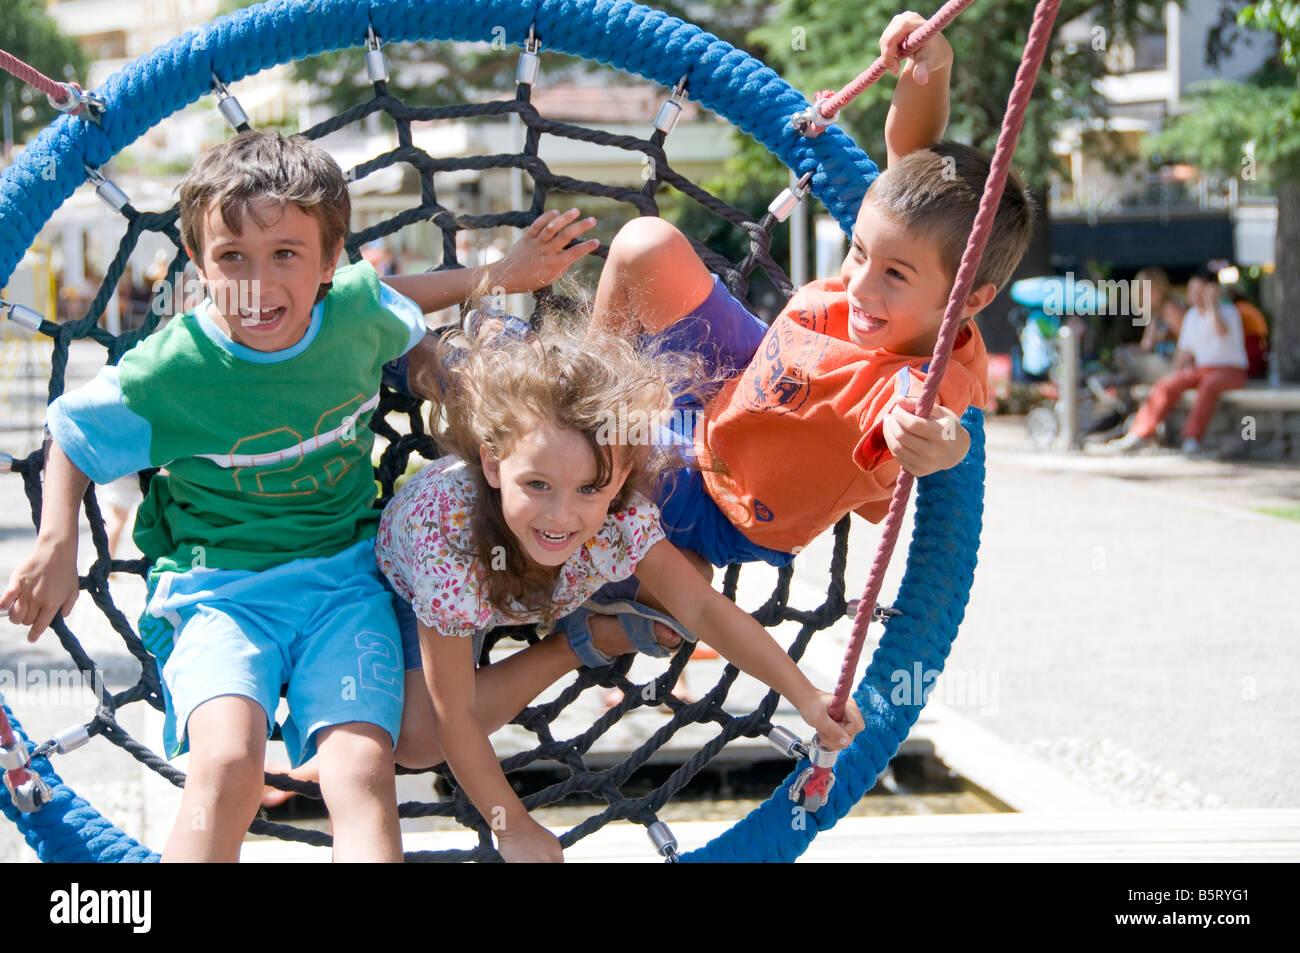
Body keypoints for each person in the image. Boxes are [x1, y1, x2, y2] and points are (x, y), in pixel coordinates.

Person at [0, 129, 598, 861]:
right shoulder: (175, 368)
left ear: (328, 260)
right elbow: (74, 434)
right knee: (225, 763)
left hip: (343, 583)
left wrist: (494, 280)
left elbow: (387, 300)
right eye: (232, 259)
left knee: (363, 767)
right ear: (196, 263)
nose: (260, 285)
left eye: (286, 254)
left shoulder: (351, 314)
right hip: (219, 591)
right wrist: (58, 540)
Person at [377, 324, 866, 863]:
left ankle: (588, 617)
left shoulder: (616, 516)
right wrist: (511, 825)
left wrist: (805, 694)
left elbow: (703, 609)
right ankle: (579, 641)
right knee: (419, 742)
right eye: (537, 484)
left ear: (621, 476)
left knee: (688, 580)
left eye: (590, 487)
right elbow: (455, 715)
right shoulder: (449, 540)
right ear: (493, 463)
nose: (561, 514)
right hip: (452, 588)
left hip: (554, 577)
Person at [579, 12, 1031, 583]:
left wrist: (946, 444)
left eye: (894, 275)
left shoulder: (931, 373)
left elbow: (935, 419)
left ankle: (623, 537)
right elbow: (910, 152)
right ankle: (584, 389)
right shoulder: (917, 246)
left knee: (586, 469)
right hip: (748, 377)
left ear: (969, 298)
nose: (860, 284)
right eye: (859, 252)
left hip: (725, 492)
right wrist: (933, 67)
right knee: (647, 244)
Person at [1106, 267, 1248, 455]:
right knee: (1165, 386)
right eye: (1192, 291)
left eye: (1199, 291)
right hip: (1202, 369)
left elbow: (1220, 331)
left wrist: (1213, 304)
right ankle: (1139, 433)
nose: (1193, 296)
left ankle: (1191, 439)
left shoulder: (1228, 311)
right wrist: (1175, 375)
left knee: (1209, 386)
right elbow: (1184, 351)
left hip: (1230, 370)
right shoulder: (1191, 316)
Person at [1113, 267, 1186, 385]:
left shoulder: (1170, 308)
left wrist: (1165, 337)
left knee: (1137, 365)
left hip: (1175, 365)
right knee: (1122, 355)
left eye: (1151, 290)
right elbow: (1146, 346)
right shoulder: (1155, 315)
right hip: (1161, 362)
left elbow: (1187, 342)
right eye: (1143, 291)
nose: (1147, 296)